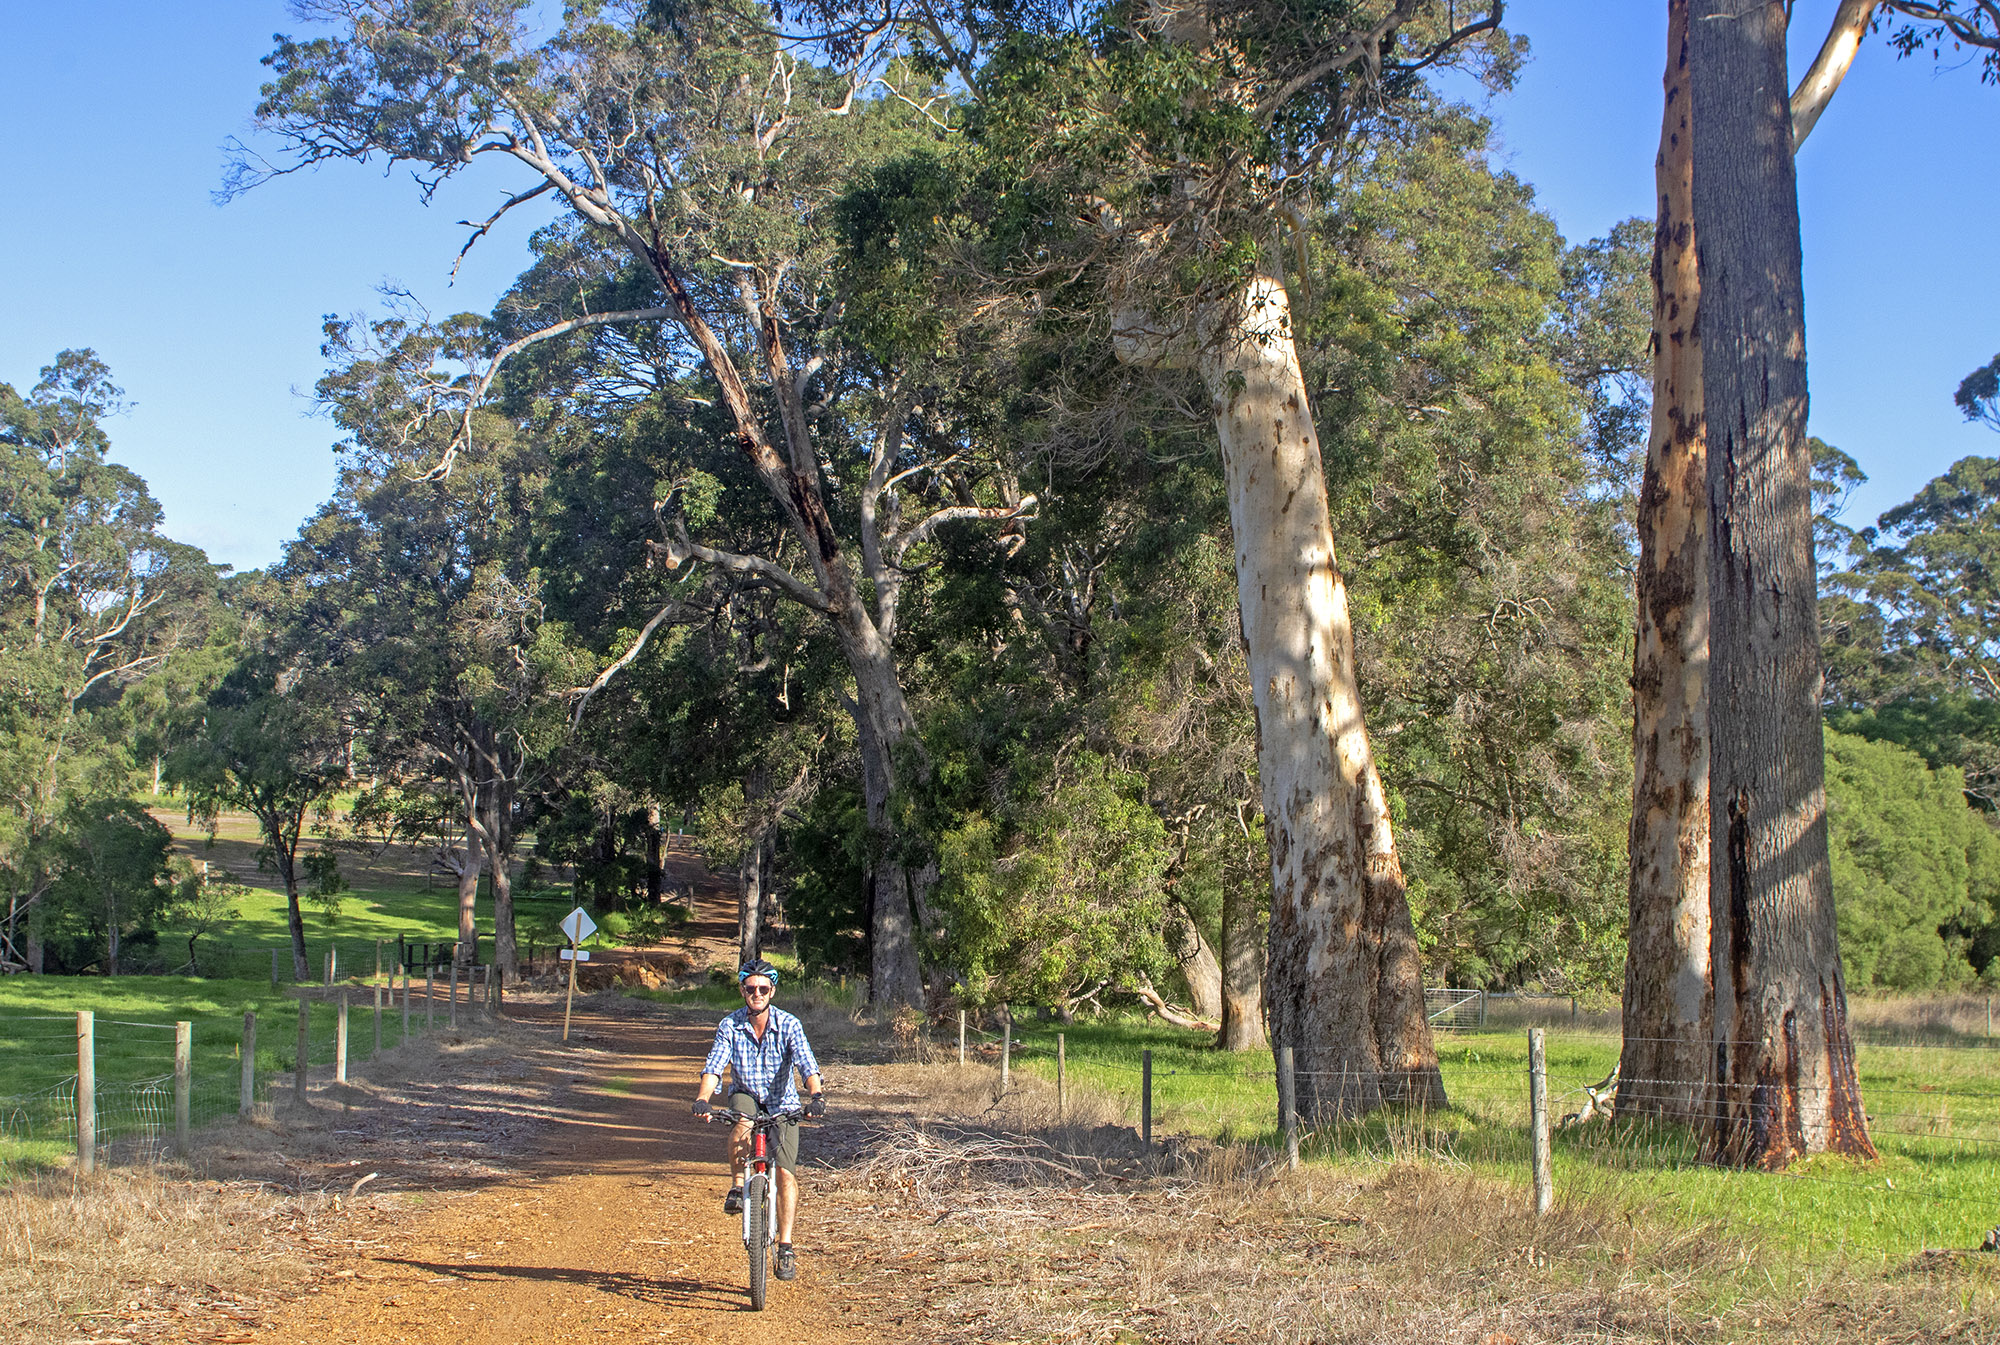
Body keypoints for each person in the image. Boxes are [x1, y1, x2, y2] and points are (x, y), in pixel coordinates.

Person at [693, 959, 826, 1282]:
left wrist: (816, 1096)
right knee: (743, 1121)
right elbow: (715, 1066)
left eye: (763, 988)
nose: (757, 994)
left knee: (786, 1173)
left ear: (772, 991)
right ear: (742, 990)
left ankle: (786, 1246)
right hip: (746, 1094)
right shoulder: (730, 1025)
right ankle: (738, 1187)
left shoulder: (789, 1025)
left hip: (783, 1102)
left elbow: (806, 1064)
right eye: (750, 988)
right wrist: (702, 1099)